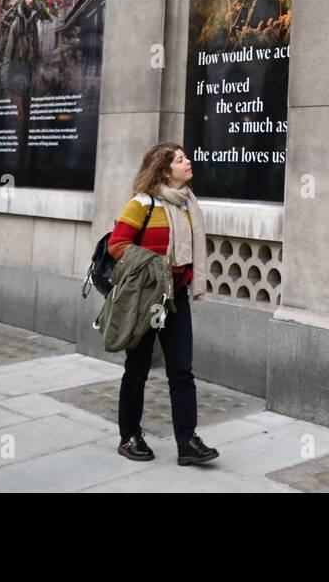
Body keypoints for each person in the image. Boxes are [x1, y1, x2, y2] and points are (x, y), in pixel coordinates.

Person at [107, 141, 220, 466]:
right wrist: (155, 265)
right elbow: (118, 245)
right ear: (165, 169)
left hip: (176, 298)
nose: (188, 163)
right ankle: (129, 436)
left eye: (186, 158)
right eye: (181, 160)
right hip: (145, 298)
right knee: (137, 369)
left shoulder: (187, 204)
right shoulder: (142, 204)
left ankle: (188, 442)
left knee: (182, 370)